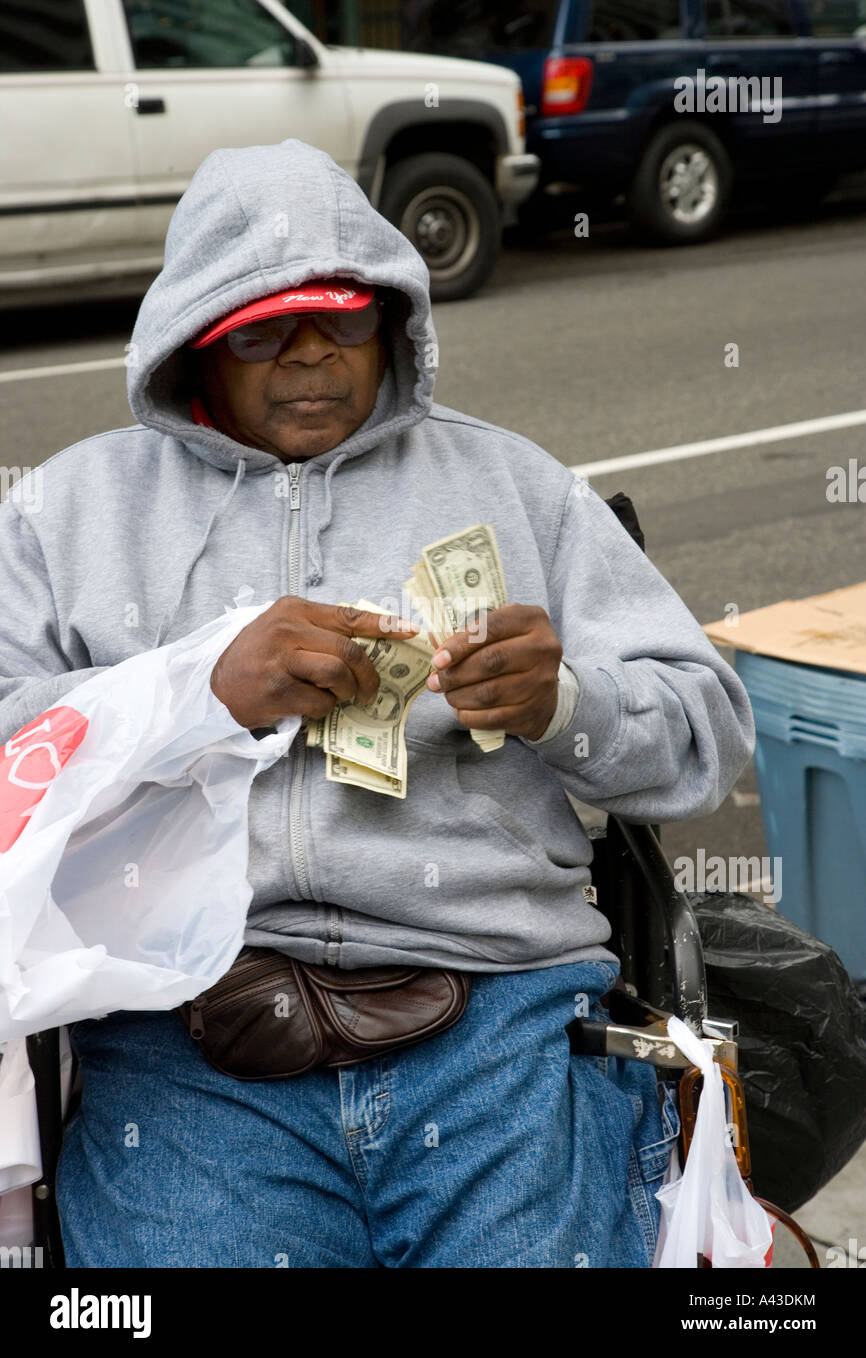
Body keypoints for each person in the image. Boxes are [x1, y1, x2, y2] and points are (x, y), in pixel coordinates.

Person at [0, 138, 754, 1268]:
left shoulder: (517, 487)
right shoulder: (69, 512)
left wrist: (565, 703)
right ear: (197, 343)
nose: (311, 359)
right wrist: (193, 696)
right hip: (188, 1027)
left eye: (341, 321)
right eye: (262, 330)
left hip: (496, 1013)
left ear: (393, 321)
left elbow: (706, 733)